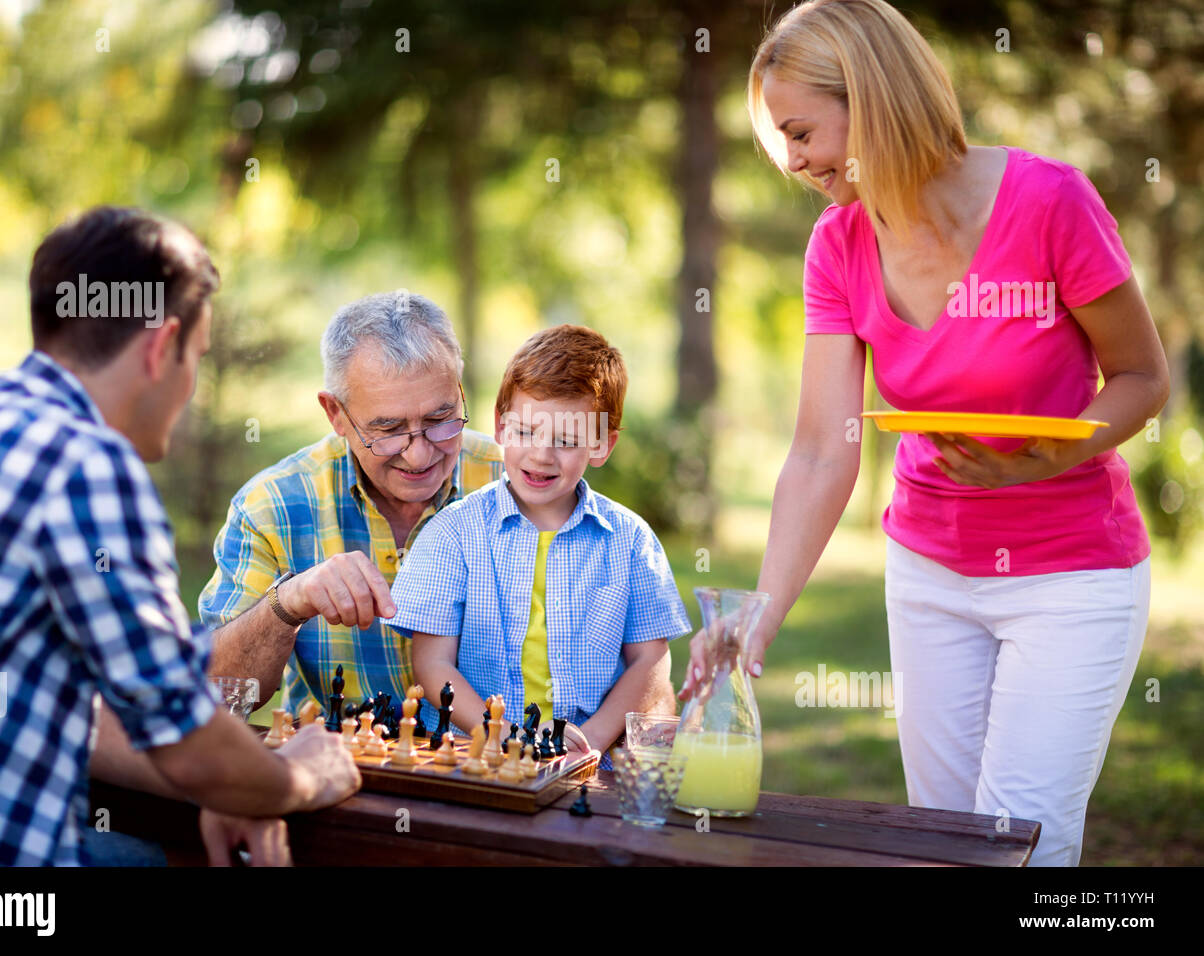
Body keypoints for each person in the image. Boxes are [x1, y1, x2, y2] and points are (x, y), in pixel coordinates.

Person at [680, 0, 1170, 867]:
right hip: (929, 575)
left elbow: (1142, 377)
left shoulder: (1051, 201)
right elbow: (822, 448)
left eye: (801, 133)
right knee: (945, 849)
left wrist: (1059, 451)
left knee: (1023, 849)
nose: (793, 163)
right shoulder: (838, 245)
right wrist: (758, 614)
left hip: (1070, 574)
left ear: (867, 99)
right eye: (780, 143)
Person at [0, 206, 359, 866]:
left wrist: (230, 781)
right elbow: (187, 733)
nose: (192, 385)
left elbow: (119, 707)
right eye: (195, 357)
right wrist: (299, 777)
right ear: (158, 348)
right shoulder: (87, 465)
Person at [389, 325, 692, 765]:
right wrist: (507, 733)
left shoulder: (630, 541)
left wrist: (590, 741)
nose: (541, 455)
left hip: (596, 761)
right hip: (484, 757)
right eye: (526, 431)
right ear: (499, 425)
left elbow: (650, 659)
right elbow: (433, 665)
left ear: (602, 444)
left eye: (566, 441)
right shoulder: (452, 534)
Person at [199, 292, 506, 718]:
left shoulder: (515, 483)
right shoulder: (272, 507)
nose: (419, 456)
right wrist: (289, 602)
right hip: (340, 774)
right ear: (335, 414)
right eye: (388, 429)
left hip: (496, 771)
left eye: (440, 420)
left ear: (459, 390)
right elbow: (213, 694)